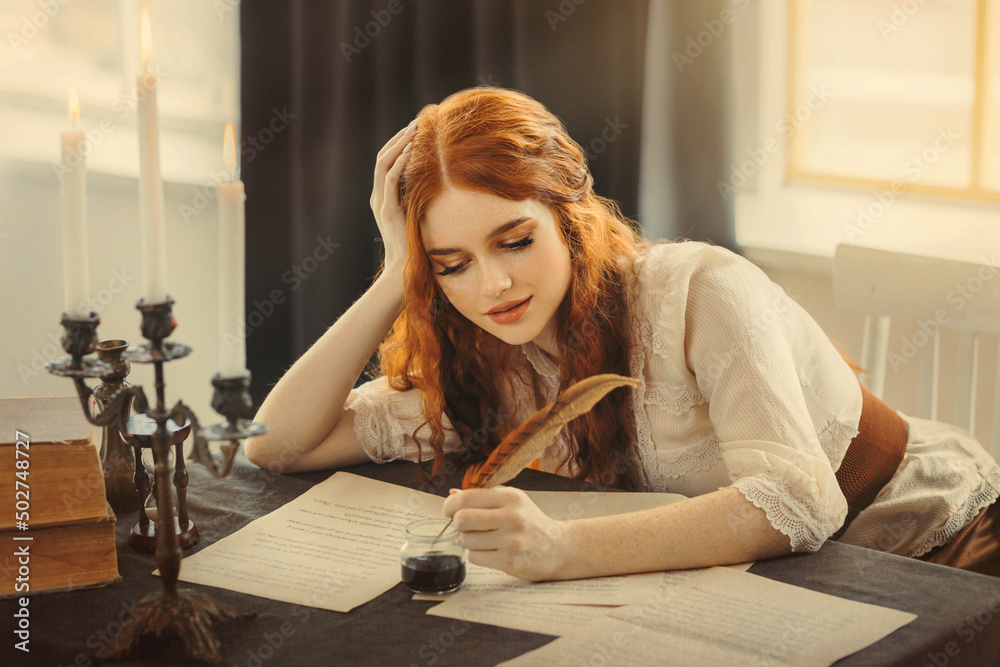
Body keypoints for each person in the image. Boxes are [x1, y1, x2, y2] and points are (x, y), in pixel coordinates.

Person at [246, 87, 1000, 581]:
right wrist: (396, 274)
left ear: (568, 216)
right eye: (453, 263)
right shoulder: (480, 354)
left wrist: (563, 548)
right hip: (782, 581)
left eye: (514, 241)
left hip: (934, 540)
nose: (493, 286)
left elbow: (798, 501)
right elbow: (277, 443)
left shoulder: (698, 291)